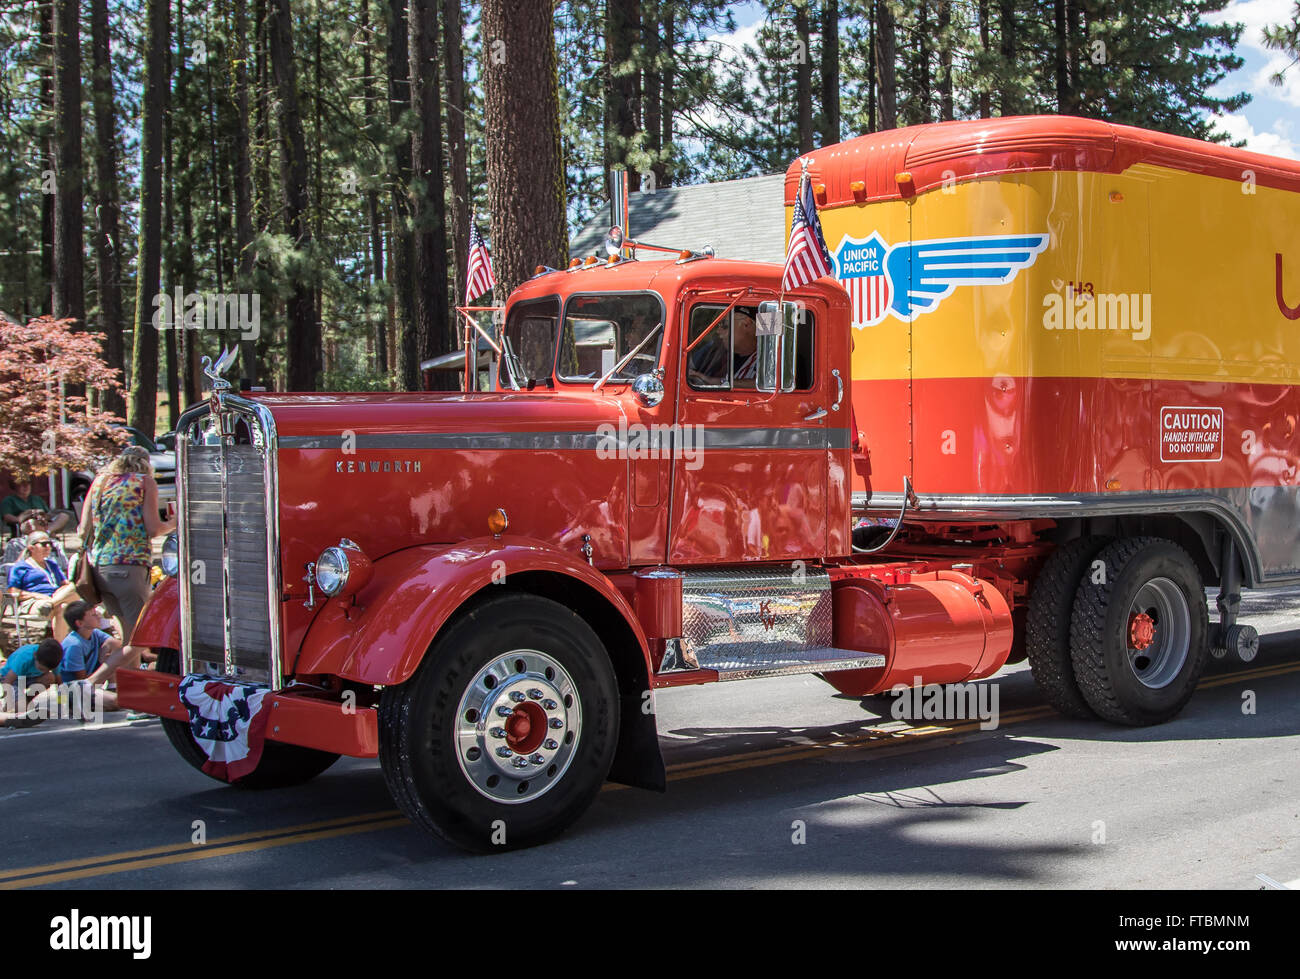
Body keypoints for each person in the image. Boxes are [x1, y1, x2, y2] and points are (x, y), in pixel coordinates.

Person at [77, 445, 175, 650]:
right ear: (147, 464)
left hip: (99, 569)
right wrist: (175, 523)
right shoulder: (144, 482)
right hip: (129, 567)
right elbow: (154, 529)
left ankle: (124, 681)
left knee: (128, 638)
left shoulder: (99, 482)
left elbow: (82, 529)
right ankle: (96, 678)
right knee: (141, 639)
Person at [4, 530, 80, 641]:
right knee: (63, 606)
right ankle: (60, 649)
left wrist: (54, 598)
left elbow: (66, 585)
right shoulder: (21, 567)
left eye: (50, 544)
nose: (48, 547)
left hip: (53, 600)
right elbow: (13, 592)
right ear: (31, 548)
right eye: (44, 544)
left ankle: (59, 649)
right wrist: (36, 596)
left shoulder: (52, 564)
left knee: (75, 588)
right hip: (34, 602)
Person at [59, 601, 126, 712]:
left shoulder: (94, 633)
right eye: (93, 615)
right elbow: (82, 680)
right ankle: (75, 706)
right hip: (76, 689)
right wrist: (105, 666)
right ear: (80, 623)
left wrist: (104, 657)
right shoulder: (74, 644)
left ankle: (112, 687)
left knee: (110, 645)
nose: (98, 616)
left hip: (92, 684)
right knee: (117, 702)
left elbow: (117, 644)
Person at [0, 638, 64, 727]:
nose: (43, 671)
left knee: (50, 678)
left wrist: (63, 702)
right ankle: (18, 710)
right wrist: (8, 702)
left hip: (28, 679)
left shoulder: (52, 659)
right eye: (41, 669)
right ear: (35, 656)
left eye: (47, 670)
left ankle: (25, 702)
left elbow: (59, 684)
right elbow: (8, 682)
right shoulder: (24, 657)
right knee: (21, 707)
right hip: (11, 680)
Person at [688, 309, 759, 388]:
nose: (718, 331)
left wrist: (713, 381)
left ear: (747, 323)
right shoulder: (718, 351)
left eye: (724, 326)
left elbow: (768, 384)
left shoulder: (766, 361)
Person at [2, 477, 74, 537]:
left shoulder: (37, 499)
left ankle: (47, 532)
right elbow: (7, 517)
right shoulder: (9, 500)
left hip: (43, 522)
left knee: (64, 515)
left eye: (28, 484)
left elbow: (48, 515)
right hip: (26, 525)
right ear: (15, 486)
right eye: (22, 484)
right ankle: (44, 534)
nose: (26, 486)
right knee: (32, 522)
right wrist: (24, 516)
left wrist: (42, 514)